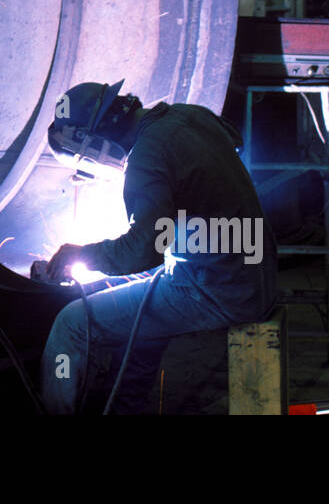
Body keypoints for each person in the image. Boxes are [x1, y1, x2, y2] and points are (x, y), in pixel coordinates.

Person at [40, 80, 278, 414]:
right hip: (253, 271)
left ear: (98, 136)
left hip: (213, 290)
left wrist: (81, 254)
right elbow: (233, 143)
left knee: (72, 323)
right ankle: (125, 405)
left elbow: (141, 251)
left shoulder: (147, 155)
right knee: (140, 319)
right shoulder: (189, 115)